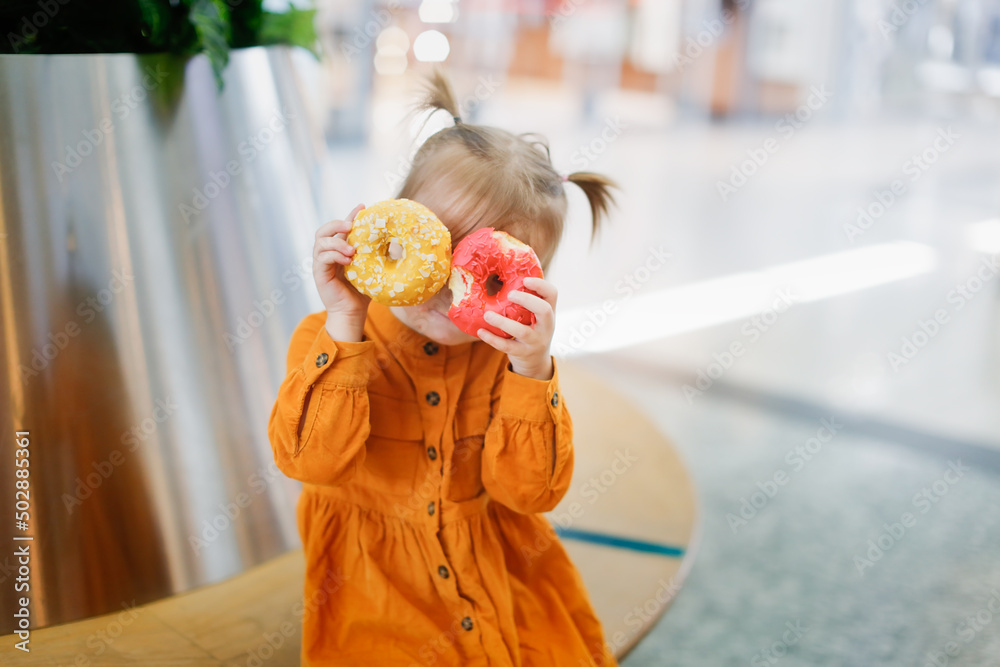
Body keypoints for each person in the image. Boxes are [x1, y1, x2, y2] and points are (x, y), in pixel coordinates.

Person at [268, 71, 618, 666]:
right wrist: (345, 323)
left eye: (478, 268)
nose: (444, 287)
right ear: (396, 224)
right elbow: (309, 462)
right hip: (379, 593)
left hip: (498, 574)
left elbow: (529, 493)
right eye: (434, 244)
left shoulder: (507, 364)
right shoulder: (328, 335)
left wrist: (532, 369)